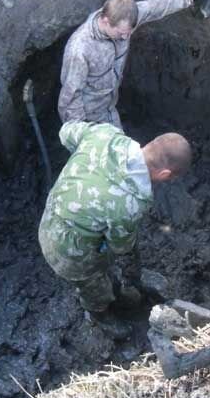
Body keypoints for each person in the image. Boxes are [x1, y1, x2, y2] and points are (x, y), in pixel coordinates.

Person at [38, 121, 192, 337]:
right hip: (67, 253)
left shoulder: (104, 134)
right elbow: (121, 247)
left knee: (103, 243)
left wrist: (87, 170)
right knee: (94, 285)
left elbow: (66, 131)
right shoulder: (130, 203)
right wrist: (131, 270)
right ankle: (99, 314)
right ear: (165, 174)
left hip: (49, 217)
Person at [57, 0, 210, 131]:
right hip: (90, 117)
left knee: (123, 153)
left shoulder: (124, 17)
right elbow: (70, 97)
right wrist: (82, 134)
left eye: (129, 33)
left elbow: (154, 7)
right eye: (121, 33)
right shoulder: (80, 50)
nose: (126, 38)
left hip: (109, 108)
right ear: (105, 21)